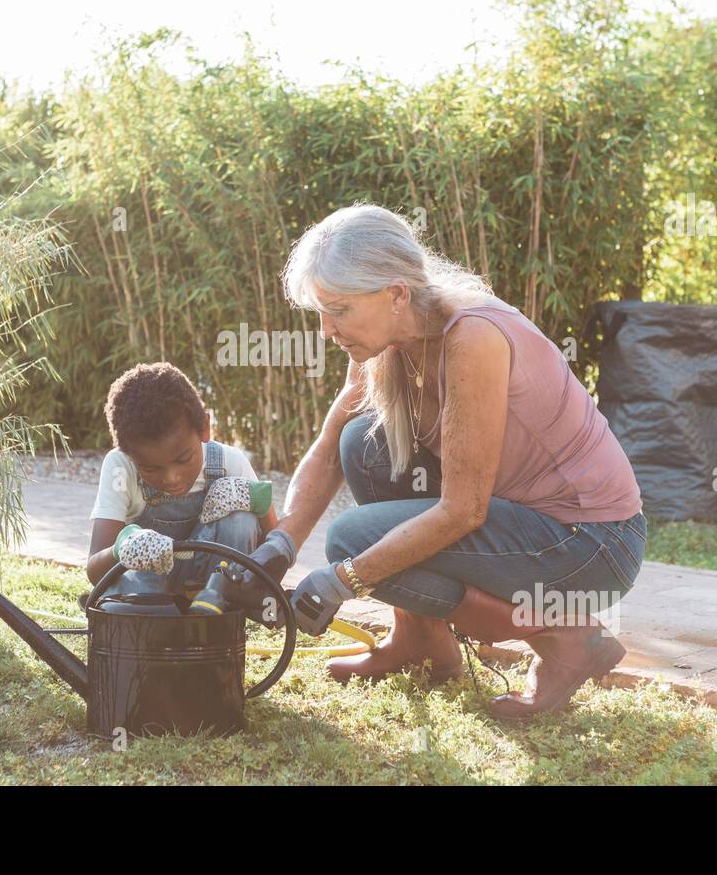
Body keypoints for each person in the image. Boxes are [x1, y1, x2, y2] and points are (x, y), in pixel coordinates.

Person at [256, 204, 646, 720]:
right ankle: (418, 640)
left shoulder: (474, 336)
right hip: (526, 521)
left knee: (351, 541)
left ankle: (565, 634)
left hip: (591, 545)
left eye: (340, 309)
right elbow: (328, 451)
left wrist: (342, 579)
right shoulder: (387, 342)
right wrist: (278, 547)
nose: (327, 329)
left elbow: (463, 510)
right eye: (321, 312)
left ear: (396, 293)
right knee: (362, 445)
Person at [85, 362, 296, 605]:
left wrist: (260, 504)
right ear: (129, 454)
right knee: (133, 581)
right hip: (148, 596)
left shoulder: (229, 462)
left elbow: (271, 562)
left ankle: (222, 613)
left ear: (205, 428)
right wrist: (121, 547)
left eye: (183, 459)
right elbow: (94, 572)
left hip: (215, 591)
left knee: (241, 519)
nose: (172, 477)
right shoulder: (121, 466)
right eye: (151, 468)